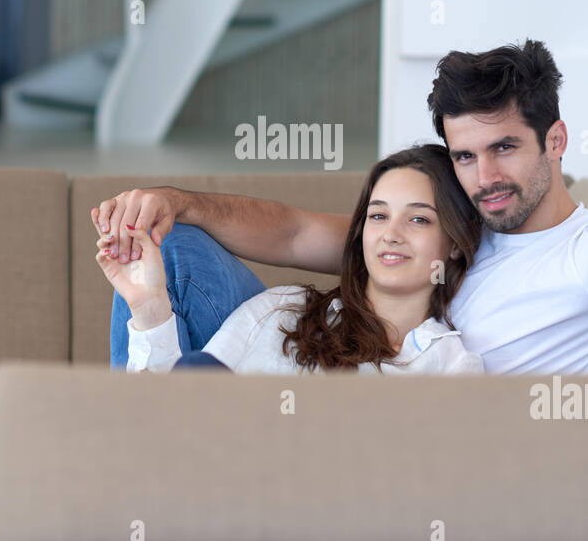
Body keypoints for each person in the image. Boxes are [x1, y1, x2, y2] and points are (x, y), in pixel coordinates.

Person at [93, 39, 588, 375]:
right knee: (171, 243)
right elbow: (302, 229)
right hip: (320, 351)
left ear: (556, 140)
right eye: (465, 154)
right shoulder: (457, 222)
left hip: (376, 406)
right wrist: (175, 198)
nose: (484, 177)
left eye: (506, 148)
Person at [95, 144, 484, 375]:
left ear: (454, 243)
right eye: (378, 216)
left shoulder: (452, 365)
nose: (391, 234)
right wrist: (148, 309)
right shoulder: (282, 308)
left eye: (418, 219)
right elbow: (170, 414)